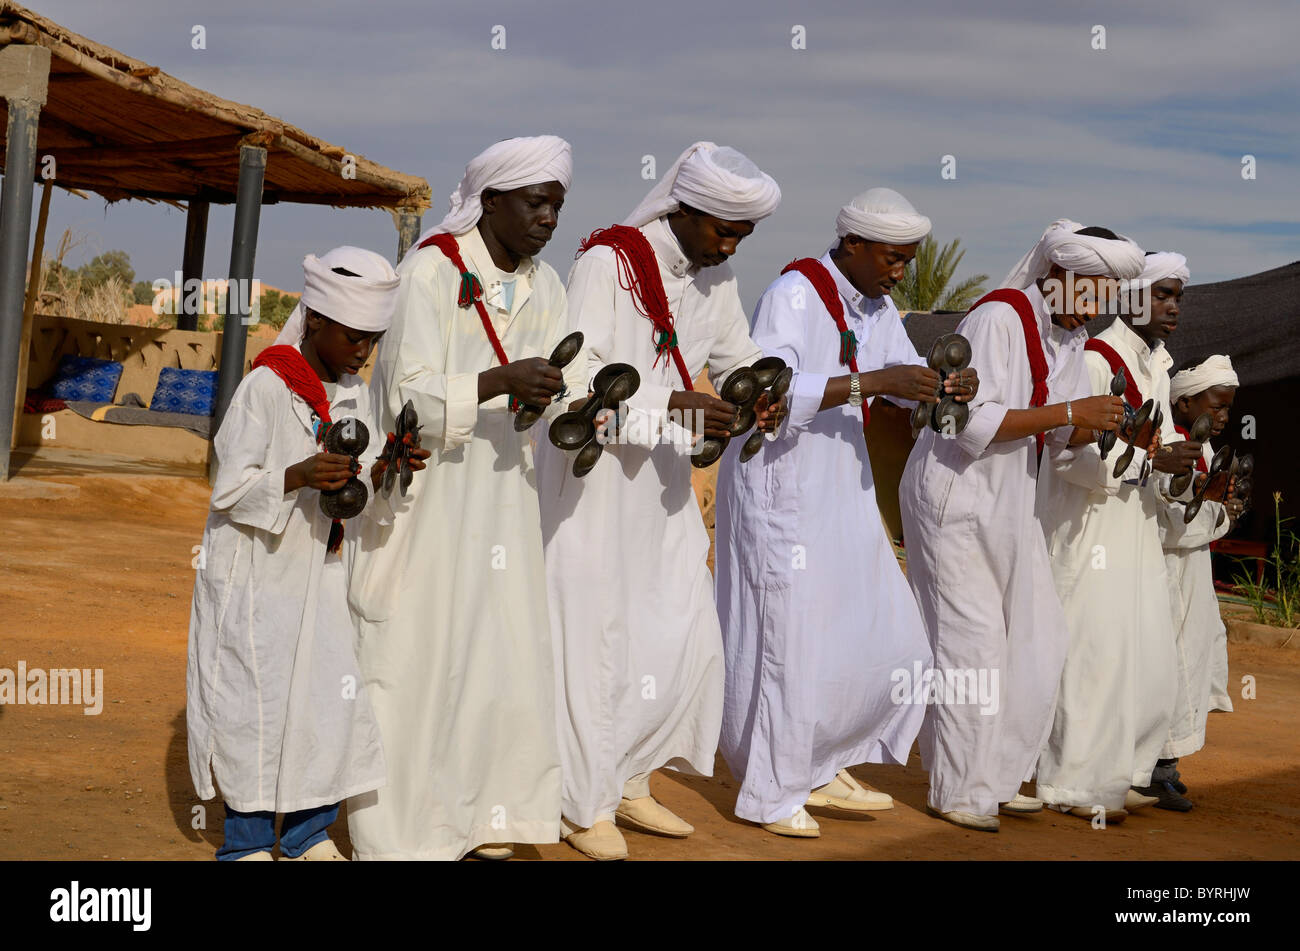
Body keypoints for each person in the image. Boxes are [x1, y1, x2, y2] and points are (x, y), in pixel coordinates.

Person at [536, 142, 783, 860]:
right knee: (597, 640)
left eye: (743, 236)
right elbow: (575, 376)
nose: (731, 245)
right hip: (596, 486)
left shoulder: (719, 275)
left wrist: (761, 399)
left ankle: (630, 778)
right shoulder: (607, 263)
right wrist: (675, 402)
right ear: (685, 208)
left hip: (666, 488)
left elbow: (737, 358)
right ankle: (581, 803)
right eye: (723, 231)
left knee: (678, 635)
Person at [345, 135, 584, 861]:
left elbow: (535, 399)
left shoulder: (548, 287)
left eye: (557, 205)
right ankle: (398, 835)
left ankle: (482, 818)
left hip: (504, 493)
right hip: (429, 497)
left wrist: (540, 399)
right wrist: (498, 381)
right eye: (535, 202)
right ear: (489, 202)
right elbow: (403, 395)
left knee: (495, 657)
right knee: (415, 656)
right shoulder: (426, 274)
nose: (548, 218)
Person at [714, 188, 974, 838]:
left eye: (908, 261)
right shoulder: (795, 293)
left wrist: (943, 384)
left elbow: (905, 368)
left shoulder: (876, 306)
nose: (899, 273)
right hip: (784, 484)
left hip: (841, 484)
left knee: (884, 633)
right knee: (791, 640)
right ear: (852, 244)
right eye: (892, 258)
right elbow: (770, 386)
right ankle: (771, 791)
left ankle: (819, 763)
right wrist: (877, 384)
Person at [899, 220, 1142, 831]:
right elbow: (964, 423)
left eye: (1110, 291)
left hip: (1012, 501)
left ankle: (998, 776)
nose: (1099, 301)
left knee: (1039, 641)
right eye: (1092, 286)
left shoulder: (1071, 338)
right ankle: (958, 790)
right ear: (1057, 274)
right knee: (970, 646)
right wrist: (1069, 411)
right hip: (957, 497)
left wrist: (1101, 424)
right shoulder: (998, 318)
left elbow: (1058, 436)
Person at [187, 246, 415, 861]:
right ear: (314, 319)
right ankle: (248, 841)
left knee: (325, 700)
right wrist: (295, 475)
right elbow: (229, 489)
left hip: (322, 573)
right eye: (353, 336)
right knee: (255, 703)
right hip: (260, 577)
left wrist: (388, 472)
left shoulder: (354, 395)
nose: (363, 350)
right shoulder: (265, 386)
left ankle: (309, 833)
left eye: (373, 338)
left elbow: (356, 493)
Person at [1035, 247, 1196, 824]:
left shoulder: (1158, 365)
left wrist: (1183, 467)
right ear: (1130, 296)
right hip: (1091, 524)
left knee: (1142, 654)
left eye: (1178, 295)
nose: (1173, 306)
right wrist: (1153, 463)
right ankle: (1069, 780)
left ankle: (1118, 771)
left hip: (1138, 527)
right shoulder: (1100, 356)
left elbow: (1161, 448)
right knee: (1093, 654)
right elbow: (1067, 454)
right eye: (1162, 293)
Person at [1146, 352, 1241, 809]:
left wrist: (1221, 510)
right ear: (1183, 404)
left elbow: (1205, 516)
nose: (1222, 418)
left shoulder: (1201, 448)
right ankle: (1151, 770)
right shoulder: (1168, 446)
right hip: (1165, 570)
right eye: (1215, 406)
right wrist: (1214, 507)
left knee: (1191, 663)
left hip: (1192, 574)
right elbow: (1172, 524)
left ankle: (1167, 767)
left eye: (1227, 409)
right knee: (1166, 667)